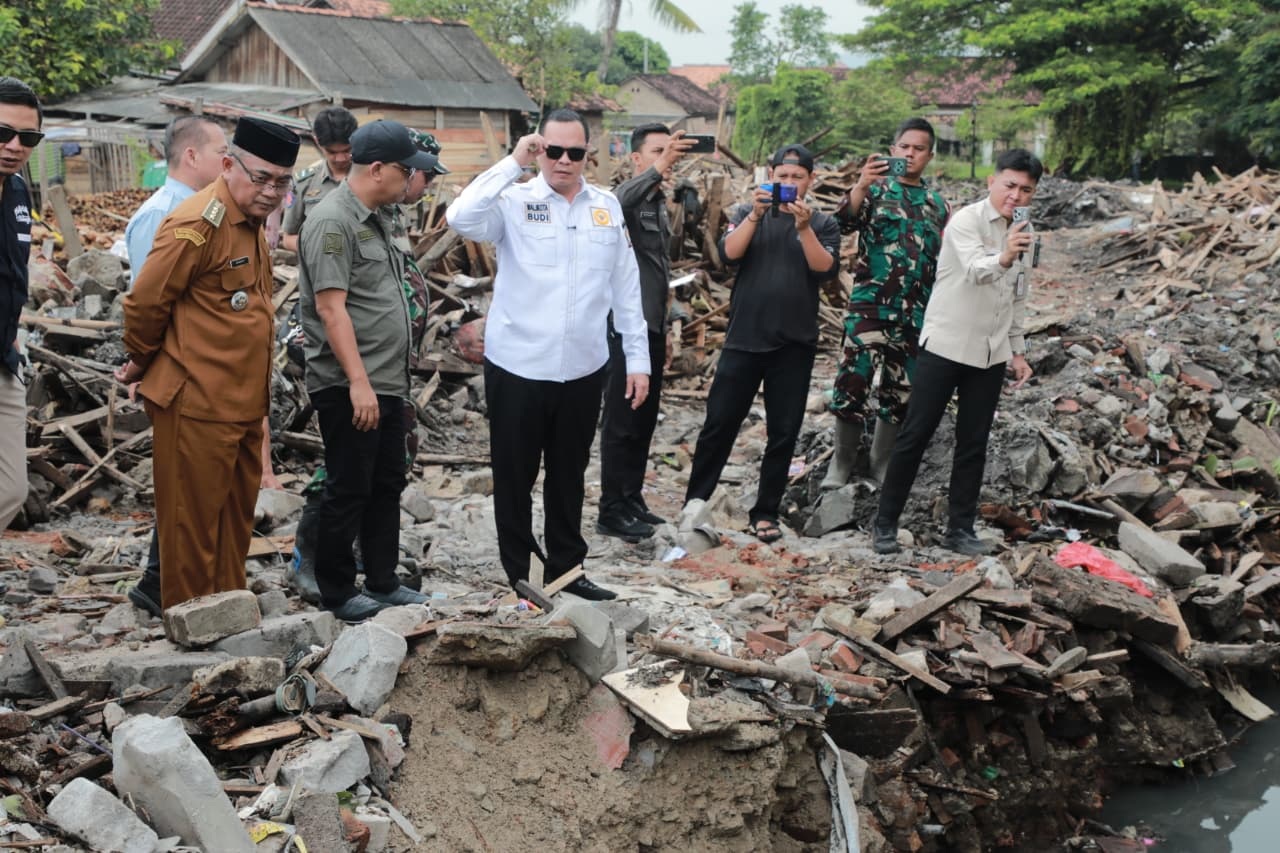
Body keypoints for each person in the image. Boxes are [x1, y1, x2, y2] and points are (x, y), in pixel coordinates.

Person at [446, 108, 649, 602]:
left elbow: (626, 287)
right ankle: (522, 576)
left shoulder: (605, 207)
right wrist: (512, 163)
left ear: (587, 154)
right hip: (519, 364)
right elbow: (460, 217)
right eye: (552, 150)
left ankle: (567, 569)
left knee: (569, 475)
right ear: (539, 150)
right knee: (515, 475)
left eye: (574, 152)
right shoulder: (514, 201)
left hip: (583, 367)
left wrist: (638, 359)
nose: (563, 161)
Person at [119, 117, 301, 609]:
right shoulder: (200, 223)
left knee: (232, 520)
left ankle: (226, 610)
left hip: (240, 404)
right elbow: (145, 303)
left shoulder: (249, 221)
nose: (270, 192)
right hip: (196, 402)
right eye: (261, 178)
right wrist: (142, 360)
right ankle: (191, 623)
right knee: (191, 525)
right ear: (227, 165)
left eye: (281, 183)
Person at [297, 119, 439, 622]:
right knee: (349, 484)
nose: (410, 179)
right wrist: (358, 383)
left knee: (386, 482)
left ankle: (383, 581)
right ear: (377, 169)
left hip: (387, 380)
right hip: (350, 384)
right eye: (405, 170)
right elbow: (331, 309)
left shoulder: (376, 217)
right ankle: (337, 591)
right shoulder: (332, 221)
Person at [872, 149, 1041, 557]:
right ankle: (885, 523)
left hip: (990, 352)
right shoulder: (966, 220)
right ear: (992, 182)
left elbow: (1018, 294)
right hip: (947, 345)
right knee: (916, 434)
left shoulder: (1025, 231)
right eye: (1010, 185)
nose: (1016, 196)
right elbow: (976, 271)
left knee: (973, 443)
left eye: (1026, 190)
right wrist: (1006, 255)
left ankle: (960, 529)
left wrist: (1017, 351)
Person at [682, 144, 841, 543]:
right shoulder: (745, 213)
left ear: (811, 180)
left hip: (794, 344)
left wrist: (803, 228)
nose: (789, 183)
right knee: (719, 424)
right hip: (745, 338)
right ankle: (694, 502)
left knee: (783, 431)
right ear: (770, 176)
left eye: (797, 177)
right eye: (782, 176)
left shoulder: (822, 223)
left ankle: (766, 511)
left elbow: (824, 269)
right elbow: (728, 254)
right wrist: (754, 214)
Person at [823, 117, 949, 490]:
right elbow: (843, 223)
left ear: (930, 155)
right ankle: (842, 461)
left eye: (919, 149)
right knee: (853, 380)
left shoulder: (938, 205)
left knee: (900, 391)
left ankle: (881, 462)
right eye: (904, 147)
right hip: (870, 308)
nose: (910, 154)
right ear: (893, 150)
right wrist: (862, 184)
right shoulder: (875, 191)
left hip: (915, 313)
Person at [596, 123, 693, 542]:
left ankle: (631, 499)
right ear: (636, 158)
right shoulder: (624, 200)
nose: (668, 157)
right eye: (658, 151)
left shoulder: (656, 202)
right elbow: (619, 201)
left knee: (644, 419)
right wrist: (660, 167)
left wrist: (666, 328)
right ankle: (611, 509)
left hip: (651, 325)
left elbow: (659, 272)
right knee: (621, 420)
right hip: (623, 329)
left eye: (671, 150)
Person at [0, 77, 42, 532]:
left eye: (27, 138)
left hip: (4, 357)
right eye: (3, 133)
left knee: (11, 487)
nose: (14, 146)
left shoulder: (16, 192)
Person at [125, 116, 227, 286]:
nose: (228, 161)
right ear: (192, 157)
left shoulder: (211, 208)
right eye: (222, 152)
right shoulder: (158, 214)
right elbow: (151, 292)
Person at [280, 106, 357, 253]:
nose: (340, 158)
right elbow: (288, 238)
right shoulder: (303, 183)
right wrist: (321, 247)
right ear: (316, 141)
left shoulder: (370, 177)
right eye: (332, 152)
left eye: (347, 150)